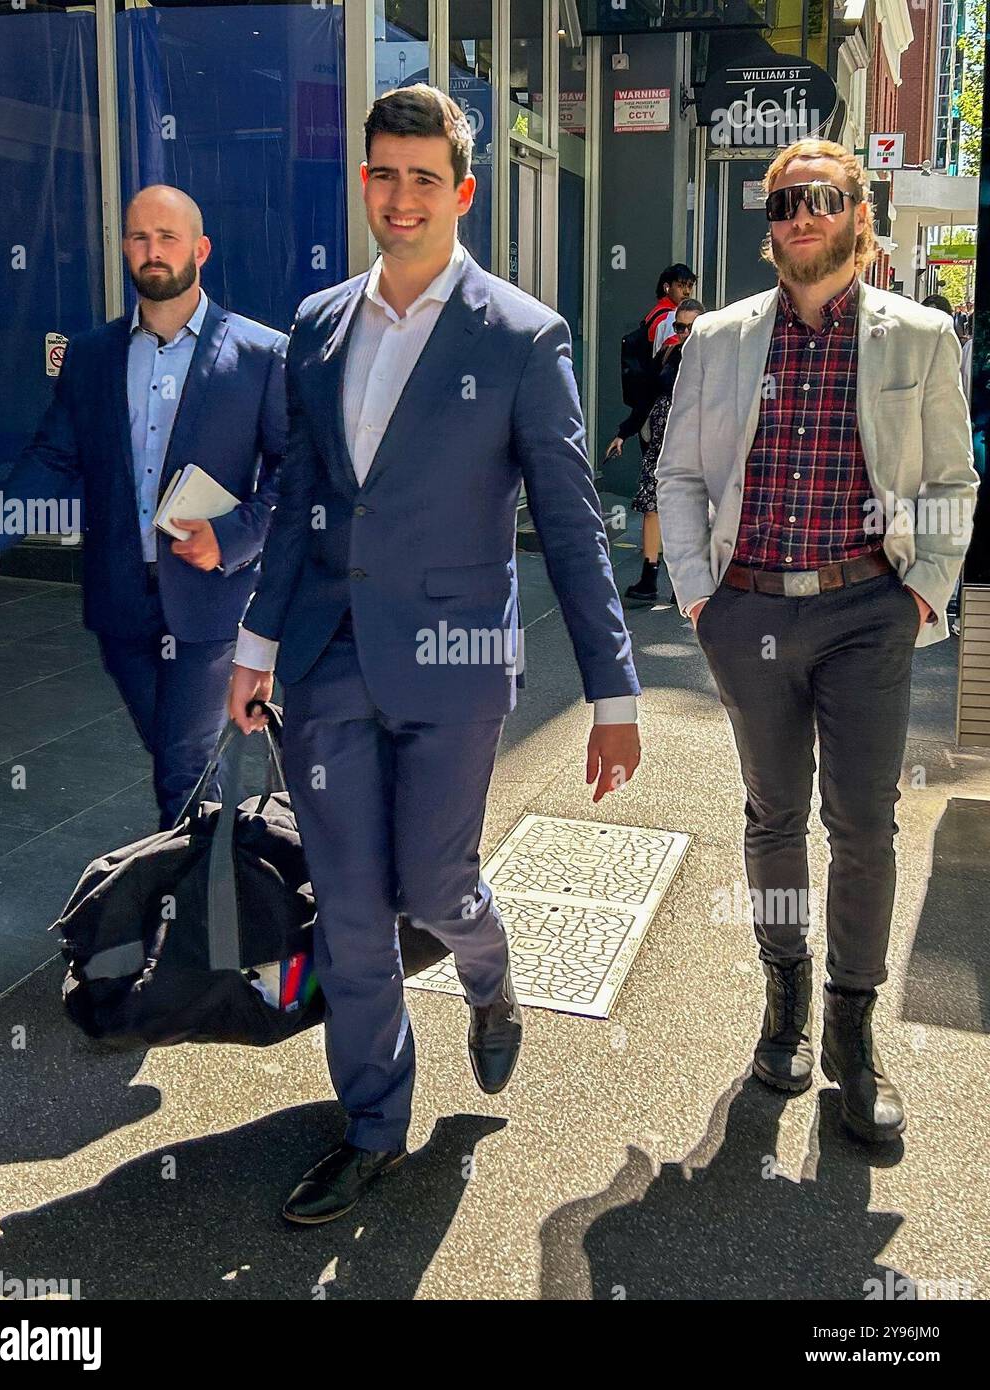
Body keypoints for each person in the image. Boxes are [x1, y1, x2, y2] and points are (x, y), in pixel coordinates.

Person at [228, 85, 642, 1224]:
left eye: (423, 177)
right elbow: (301, 493)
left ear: (461, 190)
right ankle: (373, 1125)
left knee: (435, 885)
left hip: (455, 663)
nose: (400, 197)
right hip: (323, 660)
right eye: (381, 174)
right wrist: (256, 641)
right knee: (352, 911)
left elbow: (567, 523)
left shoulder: (519, 335)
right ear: (361, 182)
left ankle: (489, 974)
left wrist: (611, 689)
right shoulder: (315, 325)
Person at [657, 138, 976, 1145]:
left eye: (818, 198)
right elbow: (676, 476)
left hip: (862, 611)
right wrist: (701, 598)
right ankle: (783, 1001)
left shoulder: (917, 335)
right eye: (781, 200)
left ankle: (852, 1029)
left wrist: (918, 595)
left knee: (863, 824)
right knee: (772, 815)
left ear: (857, 213)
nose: (796, 213)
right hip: (748, 610)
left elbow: (945, 485)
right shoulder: (715, 337)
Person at [0, 186, 287, 830]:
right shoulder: (92, 356)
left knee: (182, 762)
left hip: (211, 599)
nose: (153, 251)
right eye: (139, 237)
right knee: (175, 756)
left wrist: (234, 535)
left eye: (168, 238)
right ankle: (228, 885)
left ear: (201, 249)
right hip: (121, 601)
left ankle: (199, 916)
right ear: (125, 250)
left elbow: (294, 476)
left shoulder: (259, 355)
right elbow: (53, 455)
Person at [607, 298, 705, 603]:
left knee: (691, 512)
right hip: (661, 446)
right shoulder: (666, 355)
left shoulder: (714, 361)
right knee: (652, 506)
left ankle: (685, 584)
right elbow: (645, 400)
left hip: (696, 447)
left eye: (692, 327)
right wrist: (624, 433)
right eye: (680, 326)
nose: (685, 332)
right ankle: (649, 578)